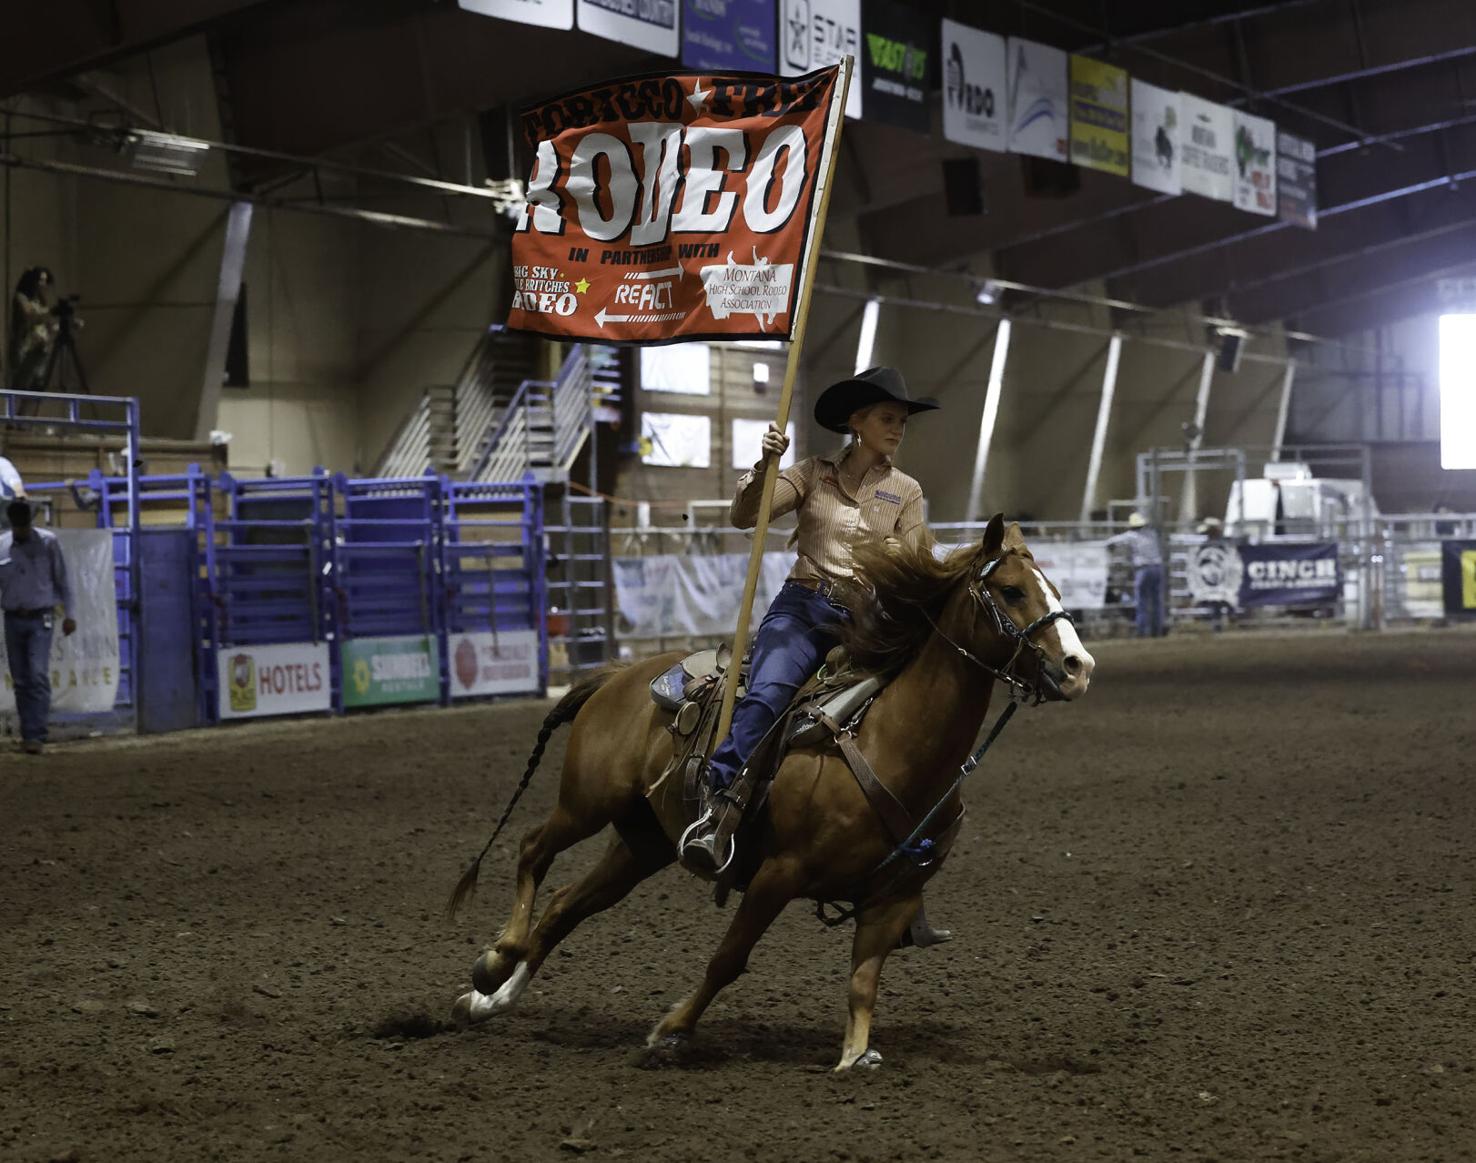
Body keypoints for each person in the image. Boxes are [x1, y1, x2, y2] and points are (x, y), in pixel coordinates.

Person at [679, 366, 951, 947]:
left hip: (865, 621)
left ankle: (907, 874)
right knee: (771, 692)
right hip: (802, 609)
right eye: (887, 419)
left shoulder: (906, 492)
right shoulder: (808, 474)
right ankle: (718, 807)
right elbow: (746, 515)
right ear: (856, 423)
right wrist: (764, 467)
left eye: (902, 421)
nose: (898, 429)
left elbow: (917, 559)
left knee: (913, 720)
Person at [0, 500, 75, 754]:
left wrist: (69, 614)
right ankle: (30, 733)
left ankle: (36, 733)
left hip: (40, 616)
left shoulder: (48, 542)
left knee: (37, 674)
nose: (21, 529)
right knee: (22, 679)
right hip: (13, 617)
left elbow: (62, 580)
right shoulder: (2, 545)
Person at [1106, 511, 1164, 638]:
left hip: (1143, 569)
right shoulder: (1152, 534)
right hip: (1157, 568)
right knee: (1156, 600)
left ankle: (1142, 630)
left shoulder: (1131, 536)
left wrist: (1110, 548)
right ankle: (1157, 629)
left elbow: (1111, 541)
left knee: (1142, 600)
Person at [8, 267, 58, 393]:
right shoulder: (21, 297)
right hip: (26, 347)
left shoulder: (41, 301)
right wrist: (50, 311)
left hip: (41, 347)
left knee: (37, 387)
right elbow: (30, 315)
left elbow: (48, 323)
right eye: (41, 280)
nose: (43, 285)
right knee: (22, 386)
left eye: (45, 281)